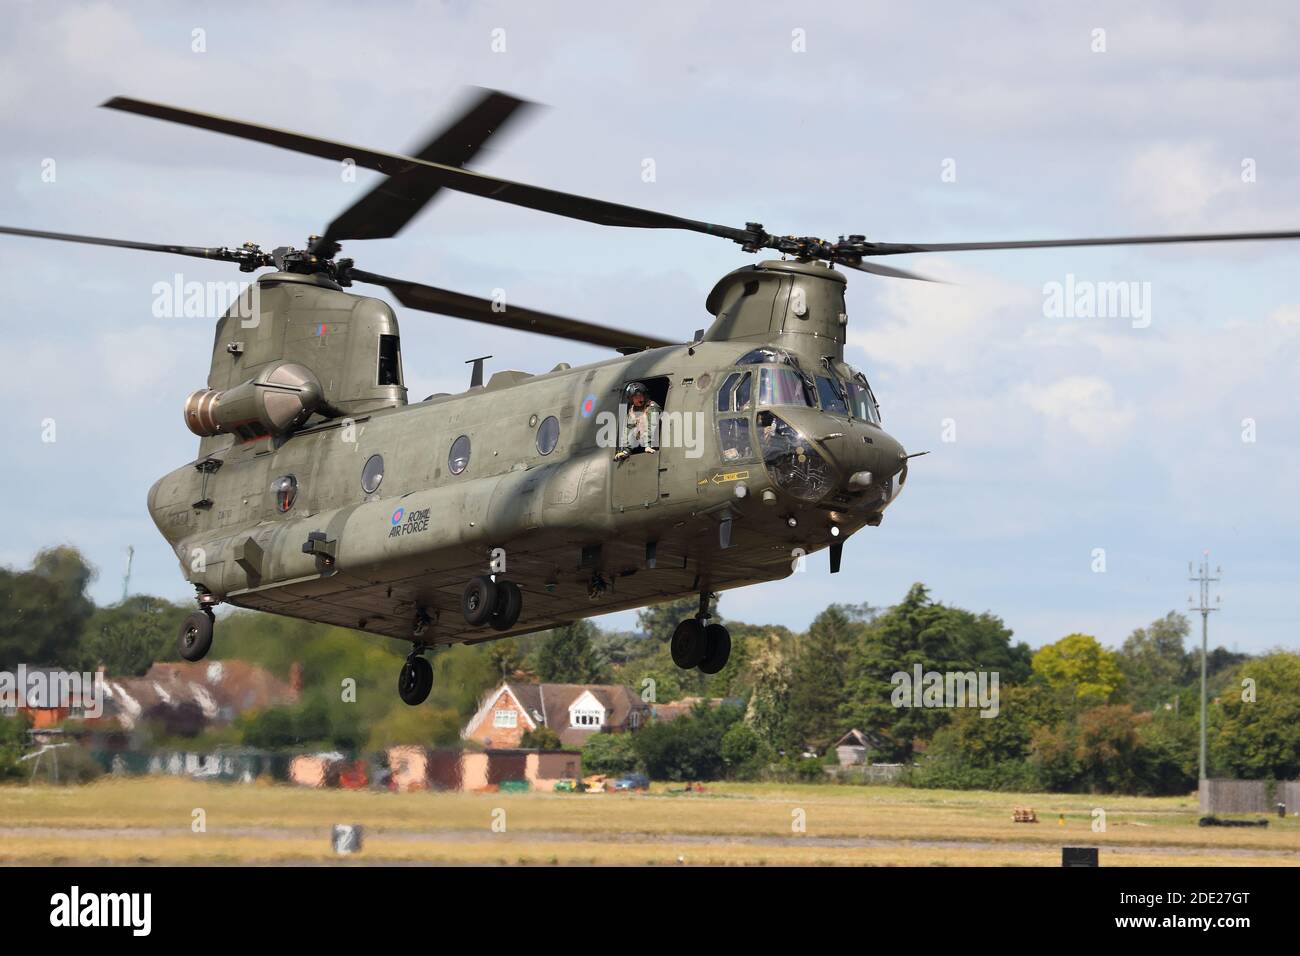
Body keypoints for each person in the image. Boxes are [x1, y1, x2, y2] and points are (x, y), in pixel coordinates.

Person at [614, 382, 660, 461]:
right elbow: (629, 429)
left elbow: (652, 426)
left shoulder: (652, 407)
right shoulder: (632, 411)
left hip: (654, 444)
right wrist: (626, 450)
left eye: (640, 396)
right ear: (631, 399)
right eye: (635, 397)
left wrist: (648, 445)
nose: (639, 399)